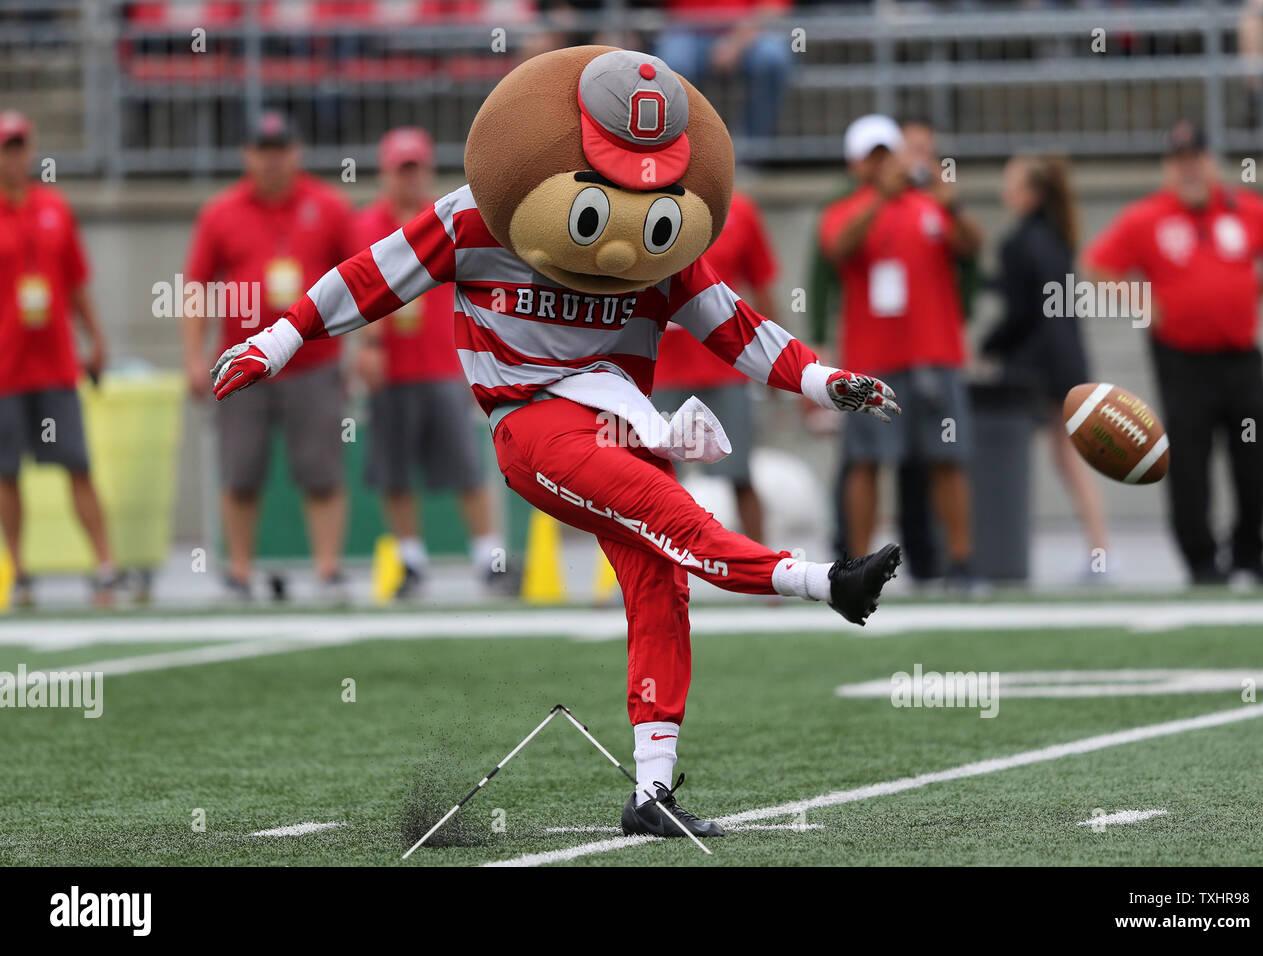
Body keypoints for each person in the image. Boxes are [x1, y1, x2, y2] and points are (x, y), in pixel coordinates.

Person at [210, 48, 902, 839]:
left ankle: (651, 793)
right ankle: (827, 584)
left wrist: (822, 379)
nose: (617, 243)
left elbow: (736, 328)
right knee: (670, 514)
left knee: (661, 586)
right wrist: (281, 336)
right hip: (533, 420)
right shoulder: (477, 217)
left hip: (620, 420)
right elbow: (371, 277)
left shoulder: (656, 233)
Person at [1085, 121, 1263, 586]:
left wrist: (1255, 294)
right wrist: (1143, 303)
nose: (1191, 169)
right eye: (1181, 161)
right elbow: (1097, 264)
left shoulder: (1248, 211)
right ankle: (1201, 559)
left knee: (1259, 448)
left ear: (1212, 163)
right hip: (1182, 359)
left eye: (1197, 158)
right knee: (1190, 460)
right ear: (1169, 168)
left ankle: (1249, 550)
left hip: (1240, 357)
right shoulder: (1149, 217)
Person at [183, 110, 354, 601]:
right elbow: (196, 287)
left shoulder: (329, 206)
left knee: (321, 471)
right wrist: (194, 355)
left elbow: (363, 279)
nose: (273, 160)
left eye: (281, 150)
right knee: (240, 472)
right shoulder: (220, 212)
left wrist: (369, 346)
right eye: (263, 150)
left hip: (313, 363)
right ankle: (238, 573)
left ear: (295, 153)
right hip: (243, 363)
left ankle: (327, 570)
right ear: (247, 155)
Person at [819, 114, 981, 589]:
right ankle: (858, 566)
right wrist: (879, 201)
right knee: (866, 461)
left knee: (947, 457)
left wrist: (954, 206)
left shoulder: (930, 206)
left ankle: (962, 562)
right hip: (873, 358)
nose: (884, 164)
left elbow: (972, 248)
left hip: (934, 351)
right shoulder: (845, 210)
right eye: (874, 158)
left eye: (888, 154)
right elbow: (837, 249)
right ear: (856, 165)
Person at [352, 128, 506, 597]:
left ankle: (488, 556)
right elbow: (357, 287)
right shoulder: (367, 222)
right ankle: (411, 560)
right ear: (386, 172)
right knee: (395, 472)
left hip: (442, 361)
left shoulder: (445, 218)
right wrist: (369, 344)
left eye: (416, 167)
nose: (410, 177)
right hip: (393, 365)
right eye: (402, 169)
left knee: (465, 467)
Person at [0, 110, 120, 608]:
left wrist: (96, 338)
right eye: (6, 147)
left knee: (77, 463)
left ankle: (105, 566)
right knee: (6, 472)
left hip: (54, 362)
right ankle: (20, 570)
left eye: (20, 146)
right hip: (4, 366)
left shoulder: (54, 207)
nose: (14, 156)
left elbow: (75, 282)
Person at [984, 155, 1108, 577]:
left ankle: (1091, 553)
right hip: (1066, 358)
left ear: (1033, 194)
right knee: (1067, 457)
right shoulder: (1057, 236)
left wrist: (988, 345)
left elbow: (1022, 312)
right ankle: (1099, 551)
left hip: (1039, 366)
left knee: (1024, 454)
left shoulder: (1021, 242)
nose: (1005, 192)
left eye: (1012, 184)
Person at [653, 190, 778, 543]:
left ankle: (766, 573)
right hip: (659, 366)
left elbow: (761, 286)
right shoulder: (642, 201)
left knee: (739, 473)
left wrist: (771, 362)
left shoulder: (739, 209)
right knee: (647, 478)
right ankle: (638, 574)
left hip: (724, 364)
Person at [654, 0, 794, 143]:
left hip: (750, 28)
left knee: (771, 57)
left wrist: (736, 42)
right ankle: (686, 149)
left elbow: (773, 7)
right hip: (686, 28)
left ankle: (754, 148)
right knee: (673, 63)